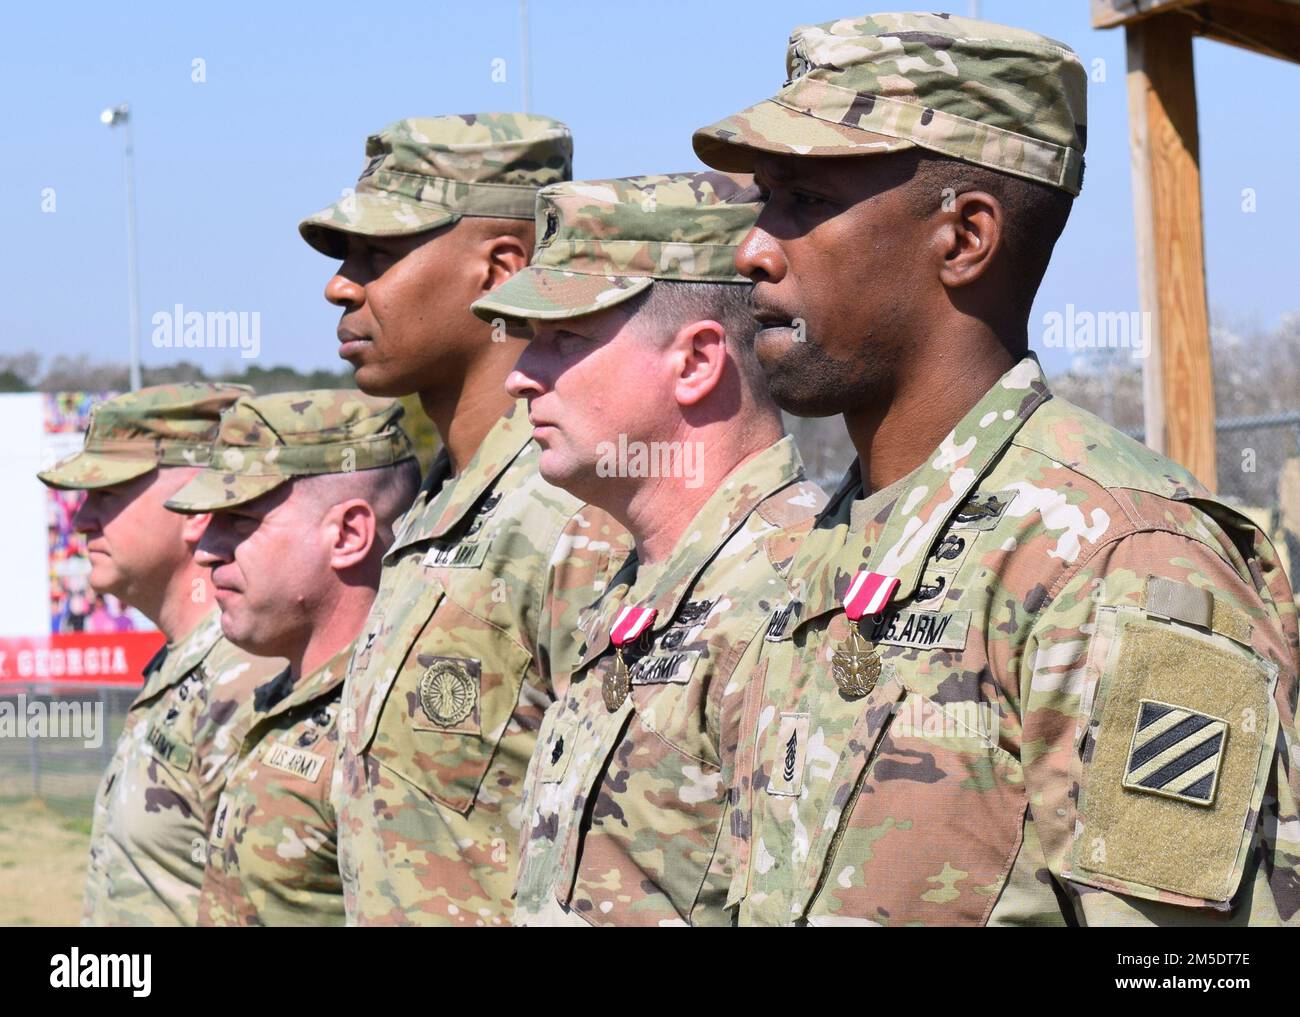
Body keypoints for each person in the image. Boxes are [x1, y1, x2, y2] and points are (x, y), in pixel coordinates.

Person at [691, 11, 1300, 925]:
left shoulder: (1122, 564)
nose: (752, 250)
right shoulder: (829, 547)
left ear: (964, 237)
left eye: (804, 202)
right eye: (761, 202)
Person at [472, 171, 826, 925]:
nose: (519, 377)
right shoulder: (639, 586)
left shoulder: (793, 598)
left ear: (696, 360)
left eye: (564, 339)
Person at [299, 113, 628, 924]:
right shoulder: (442, 503)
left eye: (376, 256)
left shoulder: (574, 515)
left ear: (502, 269)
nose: (340, 285)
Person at [165, 389, 420, 926]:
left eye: (239, 521)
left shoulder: (388, 725)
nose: (206, 549)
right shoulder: (292, 694)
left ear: (349, 535)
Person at [36, 382, 285, 926]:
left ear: (195, 507)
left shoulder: (246, 683)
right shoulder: (186, 664)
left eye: (106, 493)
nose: (81, 520)